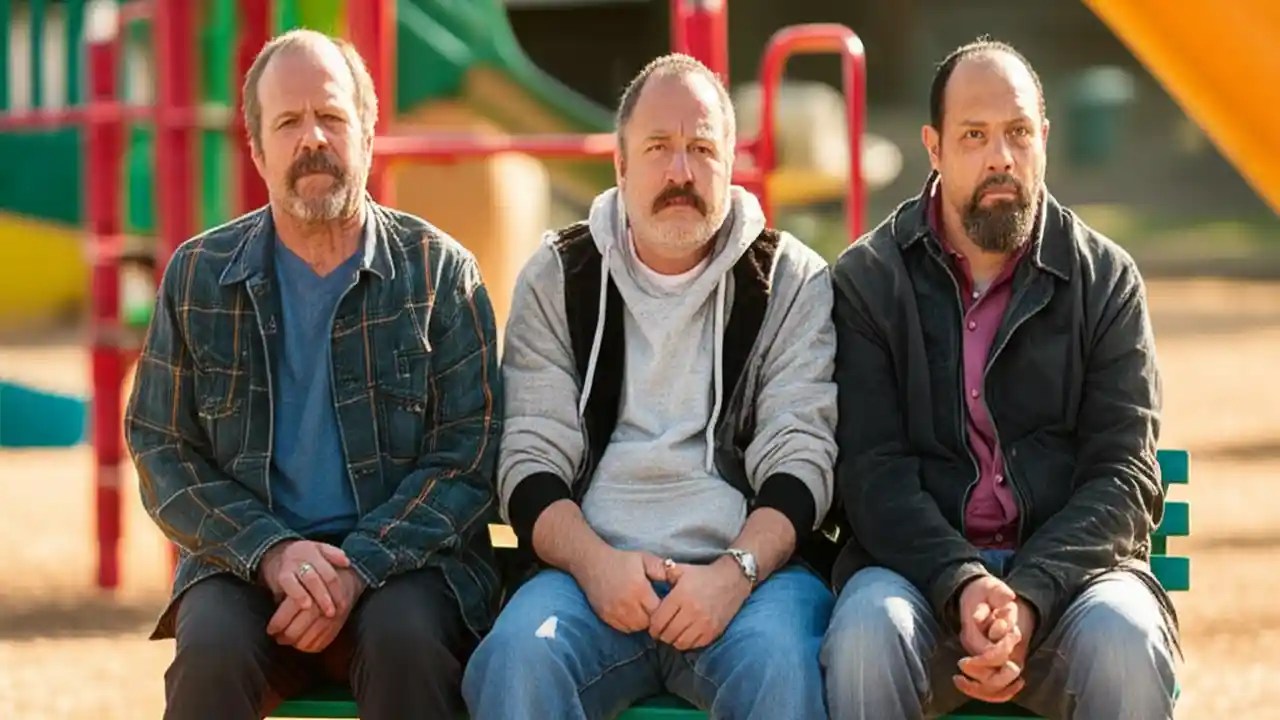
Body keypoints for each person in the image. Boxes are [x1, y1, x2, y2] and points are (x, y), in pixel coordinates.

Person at [123, 29, 502, 720]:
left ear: (367, 130)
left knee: (408, 643)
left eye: (331, 116)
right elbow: (161, 448)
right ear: (258, 147)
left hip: (406, 566)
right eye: (289, 122)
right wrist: (271, 554)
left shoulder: (439, 272)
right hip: (246, 560)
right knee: (208, 649)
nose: (312, 139)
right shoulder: (198, 274)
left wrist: (357, 567)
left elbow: (469, 456)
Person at [462, 53, 839, 720]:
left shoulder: (790, 280)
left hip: (750, 583)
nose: (681, 172)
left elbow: (801, 455)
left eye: (702, 149)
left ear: (731, 162)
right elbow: (529, 459)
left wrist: (732, 575)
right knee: (517, 660)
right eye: (659, 147)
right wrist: (596, 566)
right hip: (587, 578)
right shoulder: (559, 277)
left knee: (784, 670)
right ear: (621, 164)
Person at [820, 38, 1180, 719]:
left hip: (1075, 586)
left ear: (1043, 138)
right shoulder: (869, 282)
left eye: (1017, 134)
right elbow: (871, 475)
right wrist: (961, 584)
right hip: (916, 582)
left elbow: (1124, 475)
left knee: (1127, 638)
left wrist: (1032, 595)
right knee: (868, 636)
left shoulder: (1105, 282)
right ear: (934, 147)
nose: (1000, 158)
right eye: (975, 136)